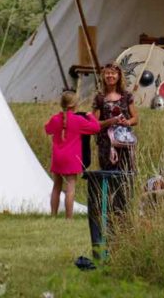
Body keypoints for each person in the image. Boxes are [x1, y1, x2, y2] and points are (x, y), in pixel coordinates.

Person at [45, 90, 100, 219]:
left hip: (58, 157)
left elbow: (47, 129)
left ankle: (53, 215)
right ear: (75, 105)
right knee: (70, 188)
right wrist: (90, 115)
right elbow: (96, 128)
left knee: (56, 186)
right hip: (72, 158)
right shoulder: (78, 120)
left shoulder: (55, 119)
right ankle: (68, 218)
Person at [92, 63, 139, 172]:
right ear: (103, 76)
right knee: (107, 174)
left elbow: (135, 118)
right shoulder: (99, 98)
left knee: (126, 173)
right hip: (106, 144)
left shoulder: (127, 96)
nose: (110, 76)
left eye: (113, 73)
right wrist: (110, 122)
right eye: (107, 73)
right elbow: (94, 124)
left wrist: (127, 122)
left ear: (119, 76)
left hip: (125, 142)